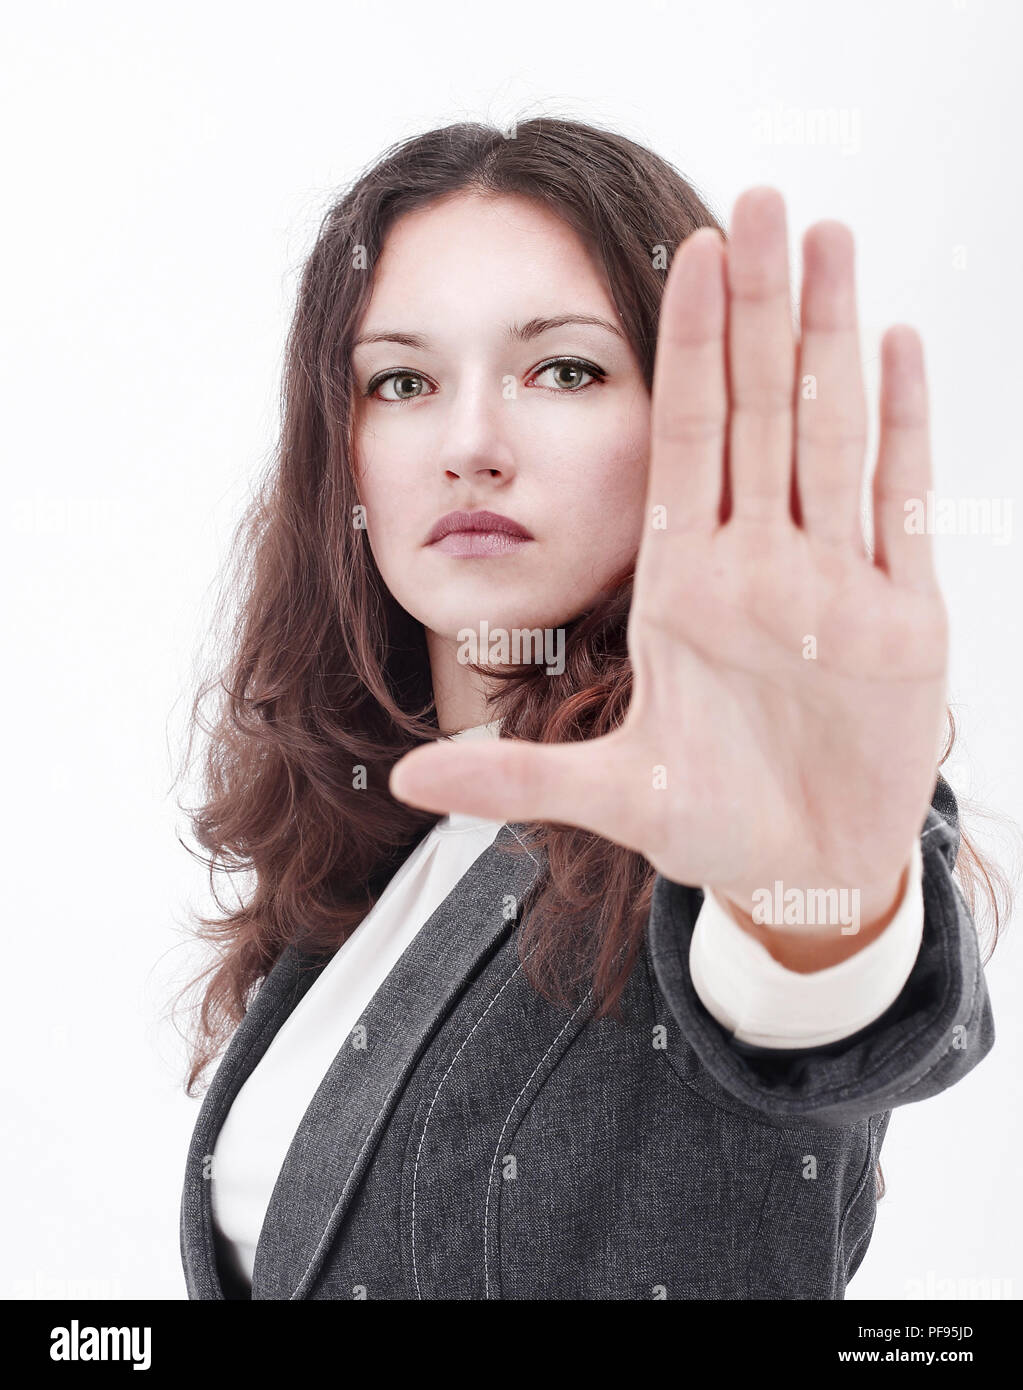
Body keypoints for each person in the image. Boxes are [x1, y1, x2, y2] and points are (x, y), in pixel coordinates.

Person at [176, 117, 1004, 1301]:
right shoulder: (378, 860)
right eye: (402, 380)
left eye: (564, 369)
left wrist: (812, 900)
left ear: (689, 420)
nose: (471, 442)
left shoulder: (711, 814)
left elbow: (817, 1003)